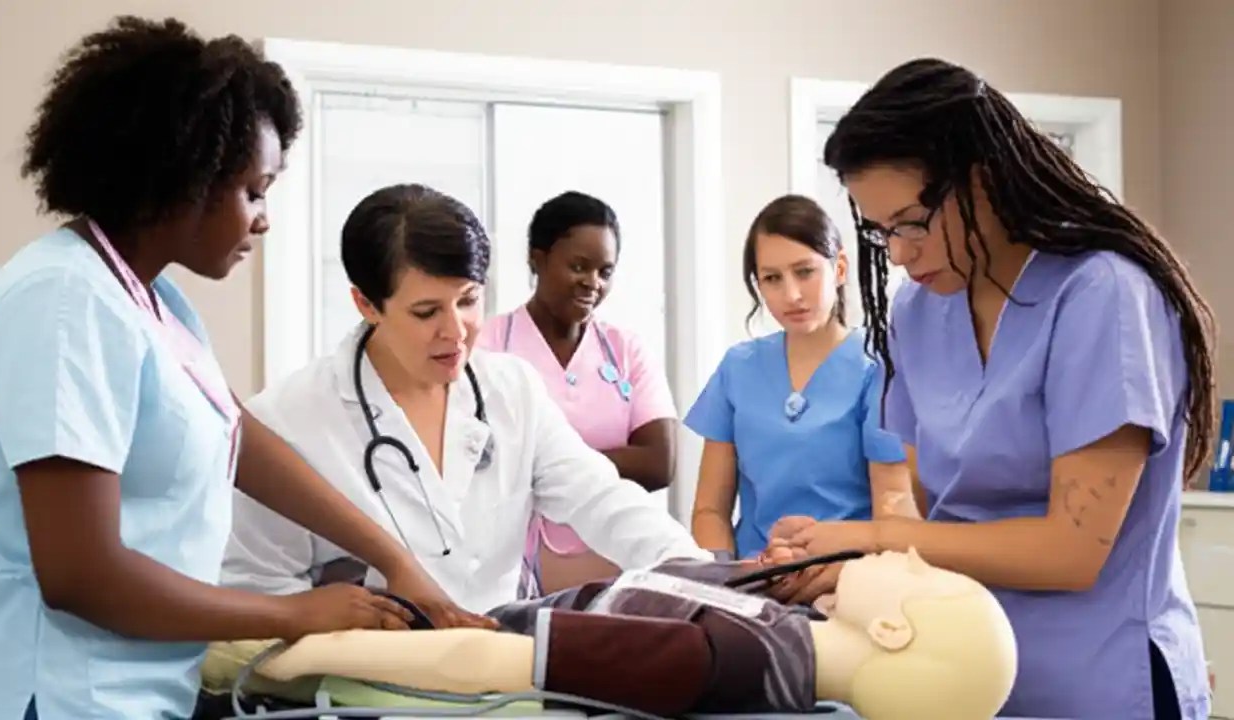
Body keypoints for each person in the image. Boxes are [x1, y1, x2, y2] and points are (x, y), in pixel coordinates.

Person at [0, 18, 488, 720]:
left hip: (134, 691)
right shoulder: (63, 303)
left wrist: (395, 558)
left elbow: (238, 437)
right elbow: (80, 575)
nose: (263, 220)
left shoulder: (151, 298)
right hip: (54, 694)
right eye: (253, 191)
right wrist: (292, 612)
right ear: (181, 180)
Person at [768, 58, 1215, 720]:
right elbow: (924, 520)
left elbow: (1071, 551)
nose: (898, 251)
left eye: (912, 221)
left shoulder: (1101, 295)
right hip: (964, 673)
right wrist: (836, 562)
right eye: (880, 230)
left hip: (1102, 682)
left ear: (984, 179)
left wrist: (867, 540)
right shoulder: (918, 314)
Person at [220, 183, 709, 614]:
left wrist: (693, 573)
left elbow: (603, 499)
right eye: (426, 311)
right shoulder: (287, 420)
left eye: (469, 300)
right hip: (356, 693)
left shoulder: (511, 390)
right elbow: (255, 585)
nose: (455, 332)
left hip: (496, 680)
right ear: (366, 304)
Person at [200, 548, 1018, 720]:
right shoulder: (786, 623)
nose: (906, 554)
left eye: (920, 574)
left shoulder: (729, 658)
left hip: (445, 638)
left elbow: (484, 661)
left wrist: (280, 657)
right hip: (466, 607)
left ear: (892, 630)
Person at [684, 195, 914, 562]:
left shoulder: (878, 366)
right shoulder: (738, 368)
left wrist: (830, 570)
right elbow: (710, 510)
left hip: (846, 576)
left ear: (839, 268)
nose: (790, 294)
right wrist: (726, 575)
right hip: (752, 578)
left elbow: (892, 514)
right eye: (772, 278)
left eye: (804, 272)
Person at [477, 191, 679, 593]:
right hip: (515, 564)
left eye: (606, 271)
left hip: (619, 560)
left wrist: (546, 464)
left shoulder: (626, 349)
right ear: (538, 259)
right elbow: (481, 462)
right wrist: (607, 461)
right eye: (579, 266)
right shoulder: (488, 345)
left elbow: (659, 464)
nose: (593, 283)